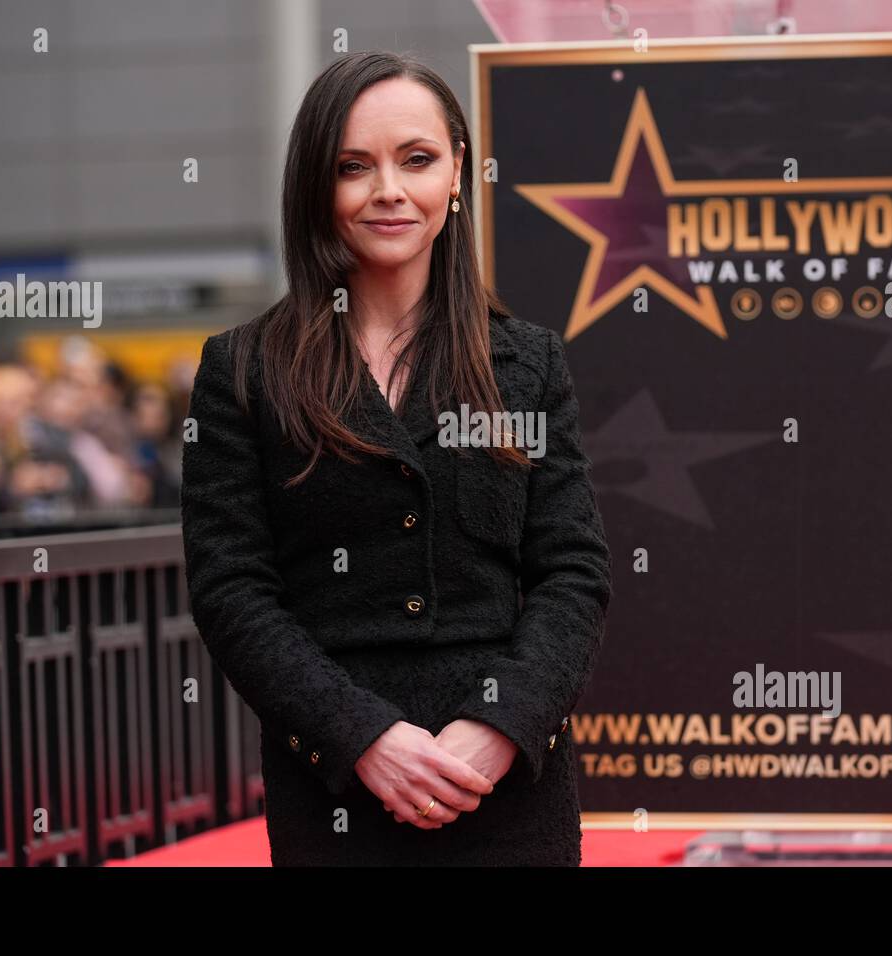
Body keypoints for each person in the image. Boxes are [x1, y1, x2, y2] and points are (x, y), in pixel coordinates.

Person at [180, 51, 612, 866]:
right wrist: (363, 738)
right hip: (336, 794)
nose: (388, 190)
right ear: (317, 186)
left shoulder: (527, 362)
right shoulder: (242, 370)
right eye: (353, 167)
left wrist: (501, 727)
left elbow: (574, 572)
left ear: (456, 171)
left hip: (508, 791)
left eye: (416, 159)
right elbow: (232, 589)